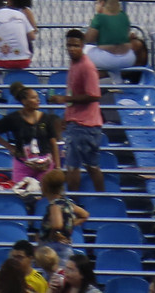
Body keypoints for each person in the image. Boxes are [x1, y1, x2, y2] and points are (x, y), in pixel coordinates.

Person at [53, 29, 107, 194]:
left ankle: (73, 201)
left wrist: (64, 99)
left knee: (73, 167)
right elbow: (74, 92)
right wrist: (67, 116)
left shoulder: (86, 66)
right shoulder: (74, 64)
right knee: (92, 167)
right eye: (69, 45)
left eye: (76, 45)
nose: (72, 49)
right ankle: (102, 197)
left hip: (83, 125)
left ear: (82, 46)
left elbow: (94, 95)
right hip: (82, 122)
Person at [0, 85, 62, 182]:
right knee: (20, 190)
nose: (38, 100)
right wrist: (9, 146)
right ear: (24, 101)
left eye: (37, 97)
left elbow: (53, 143)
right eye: (33, 98)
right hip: (23, 164)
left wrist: (57, 167)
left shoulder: (47, 118)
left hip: (45, 165)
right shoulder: (14, 118)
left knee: (45, 191)